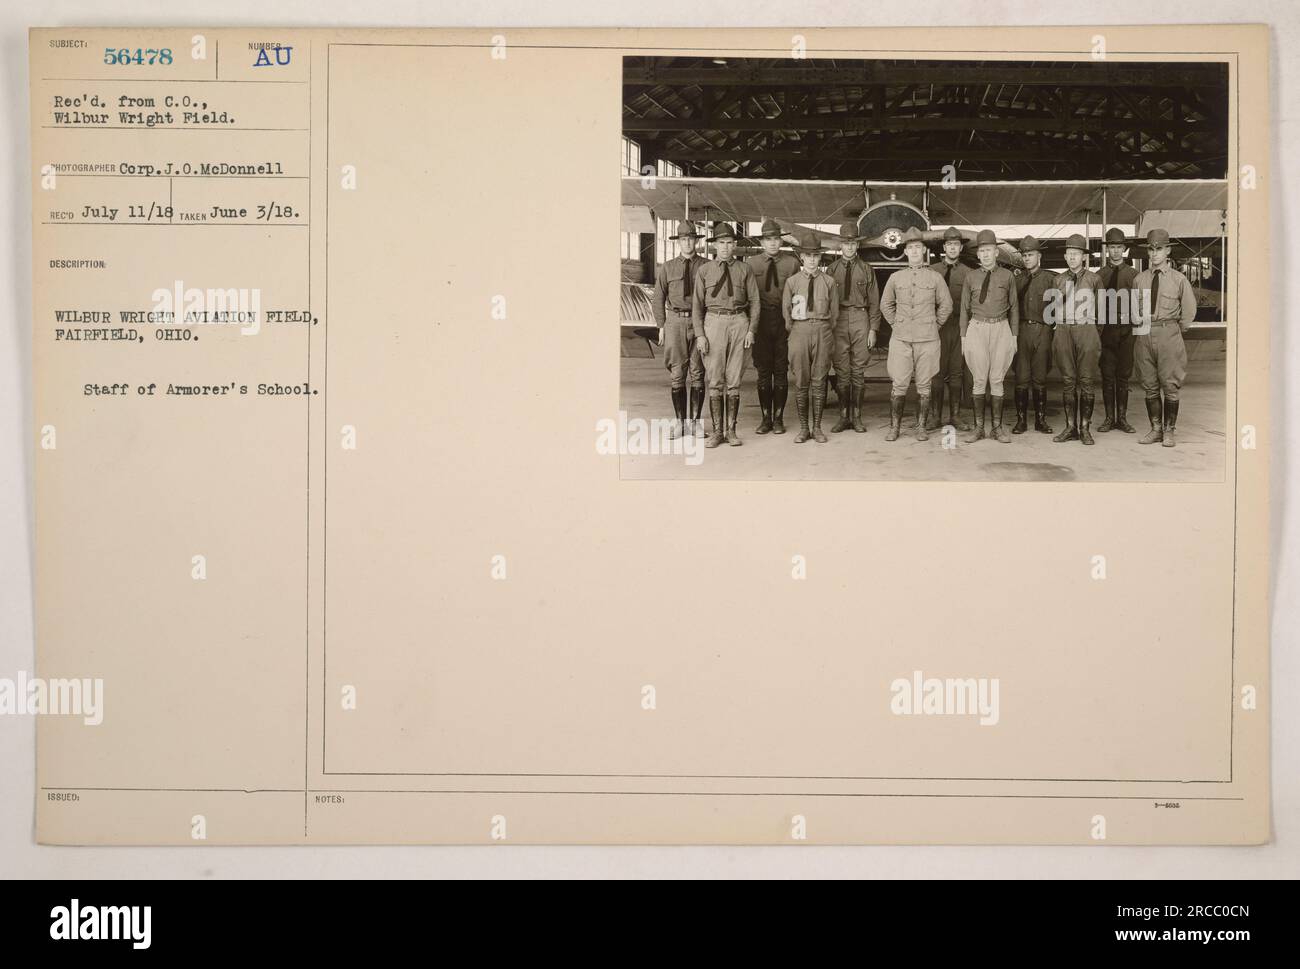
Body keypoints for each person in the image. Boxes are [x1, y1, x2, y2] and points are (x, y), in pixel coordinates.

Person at [877, 227, 950, 442]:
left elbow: (946, 305)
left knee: (924, 385)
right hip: (901, 339)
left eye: (918, 247)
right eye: (911, 248)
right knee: (898, 384)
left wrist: (934, 325)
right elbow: (885, 304)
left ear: (924, 250)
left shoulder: (935, 277)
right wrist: (897, 323)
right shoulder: (895, 277)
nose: (915, 251)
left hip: (928, 339)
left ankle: (921, 427)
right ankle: (895, 427)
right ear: (906, 252)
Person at [691, 223, 760, 448]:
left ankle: (731, 431)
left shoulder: (744, 269)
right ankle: (717, 432)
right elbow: (697, 307)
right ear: (714, 246)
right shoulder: (704, 271)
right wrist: (700, 335)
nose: (725, 247)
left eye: (729, 243)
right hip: (714, 322)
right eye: (721, 243)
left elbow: (755, 301)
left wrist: (751, 330)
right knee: (715, 379)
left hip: (739, 321)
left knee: (734, 379)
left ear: (735, 245)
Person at [1132, 228, 1198, 448]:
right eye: (1151, 249)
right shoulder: (1139, 279)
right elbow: (1133, 309)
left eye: (1159, 249)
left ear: (1168, 251)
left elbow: (1188, 313)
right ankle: (1156, 429)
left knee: (1170, 385)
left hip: (1168, 333)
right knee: (1149, 384)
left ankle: (1169, 431)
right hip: (1144, 333)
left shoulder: (1178, 279)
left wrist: (1172, 329)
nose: (1154, 254)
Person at [958, 229, 1019, 443]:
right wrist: (964, 338)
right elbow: (964, 309)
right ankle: (978, 428)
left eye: (989, 250)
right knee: (979, 379)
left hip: (1001, 328)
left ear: (996, 252)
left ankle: (997, 428)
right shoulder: (971, 277)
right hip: (977, 328)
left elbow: (1014, 308)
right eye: (982, 250)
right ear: (978, 254)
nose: (985, 254)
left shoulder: (1007, 276)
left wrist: (1014, 336)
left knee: (997, 379)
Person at [782, 230, 839, 443]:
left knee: (819, 379)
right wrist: (798, 330)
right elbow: (786, 312)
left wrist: (822, 328)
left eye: (816, 256)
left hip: (823, 330)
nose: (812, 260)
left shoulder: (829, 282)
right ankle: (804, 428)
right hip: (799, 331)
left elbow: (834, 314)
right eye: (809, 256)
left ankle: (817, 428)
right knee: (801, 380)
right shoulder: (792, 282)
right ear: (801, 257)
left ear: (820, 257)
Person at [651, 223, 707, 438]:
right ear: (678, 242)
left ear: (697, 241)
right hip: (674, 320)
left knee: (698, 372)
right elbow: (658, 298)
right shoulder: (667, 267)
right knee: (677, 374)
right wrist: (661, 325)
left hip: (699, 321)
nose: (687, 243)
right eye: (683, 239)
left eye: (691, 239)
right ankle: (679, 423)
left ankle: (695, 423)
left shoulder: (706, 266)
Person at [1048, 234, 1104, 445]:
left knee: (1087, 381)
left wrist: (1091, 332)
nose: (1072, 258)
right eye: (1069, 254)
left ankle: (1085, 428)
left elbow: (1101, 312)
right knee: (1069, 381)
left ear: (1083, 257)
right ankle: (1070, 427)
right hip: (1063, 329)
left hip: (1086, 328)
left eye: (1076, 254)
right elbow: (1052, 308)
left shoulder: (1094, 279)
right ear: (1065, 256)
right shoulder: (1058, 280)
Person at [827, 219, 882, 433]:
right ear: (840, 245)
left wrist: (873, 329)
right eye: (845, 243)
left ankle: (857, 417)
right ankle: (843, 417)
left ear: (857, 245)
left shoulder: (867, 270)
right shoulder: (831, 270)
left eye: (853, 243)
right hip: (838, 319)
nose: (849, 247)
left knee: (858, 370)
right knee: (842, 370)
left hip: (861, 318)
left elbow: (875, 302)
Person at [746, 219, 800, 434]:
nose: (773, 243)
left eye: (776, 239)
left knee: (781, 370)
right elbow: (747, 296)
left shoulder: (792, 263)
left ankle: (778, 419)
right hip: (760, 320)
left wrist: (794, 325)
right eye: (768, 239)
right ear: (762, 242)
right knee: (763, 371)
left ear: (781, 240)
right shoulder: (751, 264)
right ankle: (765, 418)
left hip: (784, 320)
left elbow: (798, 296)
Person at [1096, 227, 1138, 433]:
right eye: (1111, 247)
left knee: (1123, 375)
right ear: (1107, 250)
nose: (1114, 251)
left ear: (1124, 249)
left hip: (1127, 330)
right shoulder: (1099, 276)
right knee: (1107, 375)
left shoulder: (1133, 275)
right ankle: (1109, 418)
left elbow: (1140, 305)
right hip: (1106, 331)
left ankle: (1122, 418)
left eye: (1118, 247)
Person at [1012, 236, 1055, 434]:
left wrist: (1050, 329)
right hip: (1021, 331)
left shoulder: (1050, 279)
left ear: (1039, 256)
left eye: (1031, 255)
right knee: (1021, 377)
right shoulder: (1017, 280)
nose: (1027, 258)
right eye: (1025, 255)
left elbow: (1058, 308)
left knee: (1039, 378)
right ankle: (1021, 421)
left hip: (1043, 330)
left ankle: (1040, 420)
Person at [931, 226, 972, 431]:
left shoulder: (968, 273)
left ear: (961, 247)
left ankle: (955, 416)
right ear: (944, 247)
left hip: (958, 326)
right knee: (936, 371)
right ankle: (935, 417)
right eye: (949, 244)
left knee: (957, 371)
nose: (953, 248)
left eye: (956, 244)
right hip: (937, 327)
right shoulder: (932, 270)